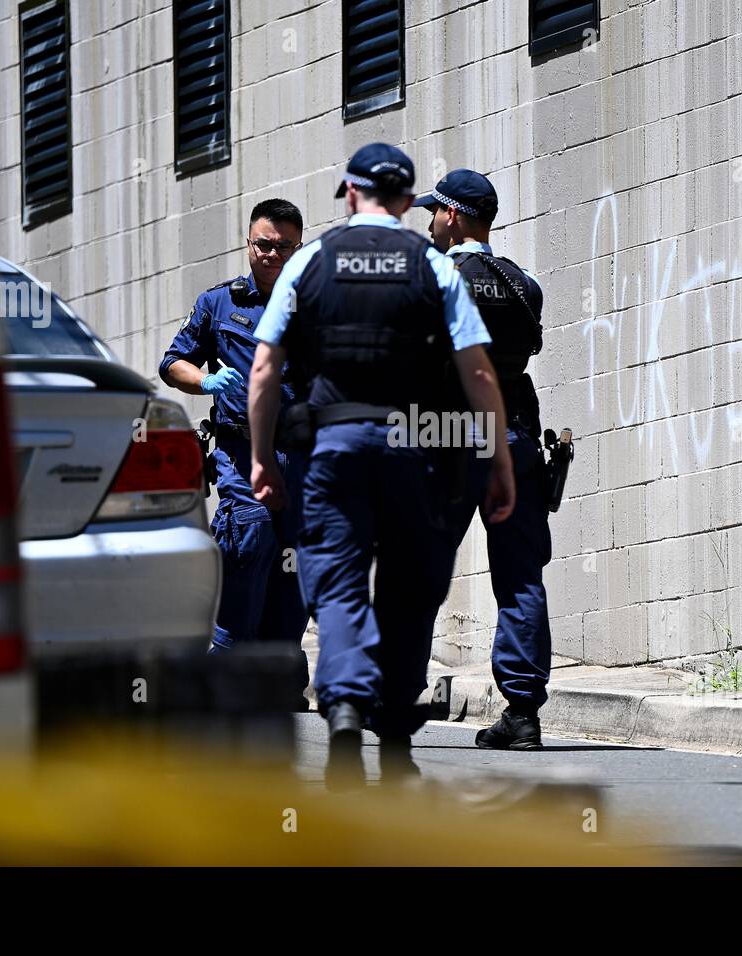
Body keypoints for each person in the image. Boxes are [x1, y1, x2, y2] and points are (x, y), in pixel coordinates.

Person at [247, 144, 516, 787]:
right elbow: (477, 370)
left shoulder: (309, 261)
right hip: (412, 449)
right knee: (407, 591)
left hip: (331, 453)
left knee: (337, 587)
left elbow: (264, 369)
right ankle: (394, 729)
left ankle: (342, 705)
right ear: (404, 201)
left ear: (349, 193)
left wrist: (262, 459)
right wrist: (498, 457)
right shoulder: (433, 266)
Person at [415, 169, 552, 750]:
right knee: (521, 576)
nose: (428, 223)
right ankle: (522, 712)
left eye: (434, 213)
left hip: (450, 435)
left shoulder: (437, 276)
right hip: (515, 437)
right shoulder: (524, 284)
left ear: (453, 216)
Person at [159, 199, 311, 704]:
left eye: (282, 246)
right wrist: (205, 381)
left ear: (298, 247)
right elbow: (173, 362)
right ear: (248, 243)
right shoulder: (219, 303)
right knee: (251, 537)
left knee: (295, 560)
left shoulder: (315, 304)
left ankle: (279, 667)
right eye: (262, 244)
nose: (271, 254)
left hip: (302, 456)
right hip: (242, 451)